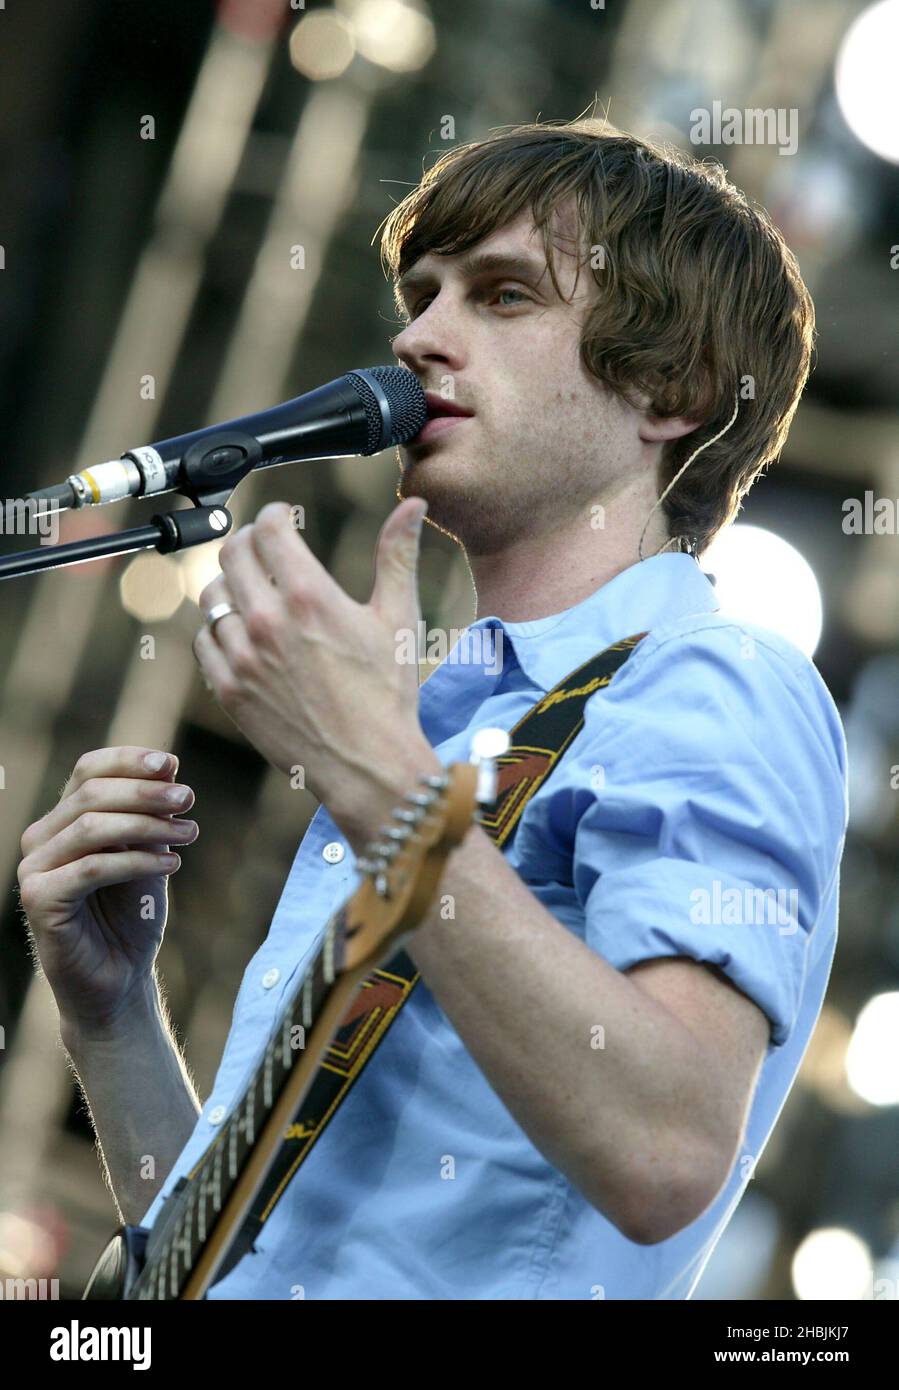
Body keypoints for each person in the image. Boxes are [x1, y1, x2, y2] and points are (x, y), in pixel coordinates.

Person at [18, 119, 847, 1299]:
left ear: (672, 386)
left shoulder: (717, 680)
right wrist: (111, 1018)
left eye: (501, 297)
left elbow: (663, 1150)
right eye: (419, 296)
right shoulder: (447, 726)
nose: (415, 338)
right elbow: (262, 1259)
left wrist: (369, 773)